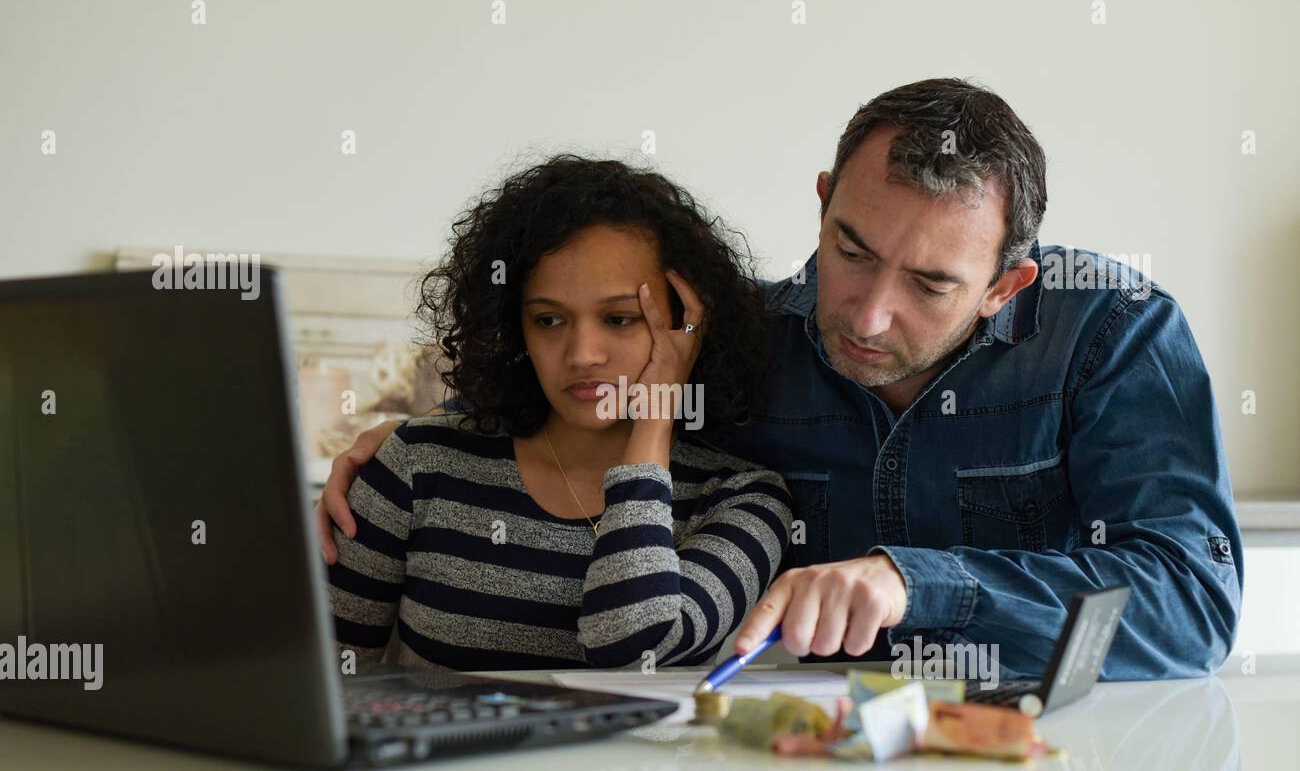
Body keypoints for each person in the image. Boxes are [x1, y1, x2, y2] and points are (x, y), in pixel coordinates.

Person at [324, 79, 1243, 681]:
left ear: (1006, 284)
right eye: (850, 250)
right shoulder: (745, 342)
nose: (868, 314)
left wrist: (913, 584)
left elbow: (1191, 606)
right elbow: (589, 383)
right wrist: (405, 441)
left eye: (930, 285)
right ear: (822, 200)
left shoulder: (1112, 335)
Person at [323, 155, 793, 670]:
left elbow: (634, 647)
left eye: (619, 319)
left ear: (687, 325)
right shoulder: (414, 466)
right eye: (549, 320)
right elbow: (326, 683)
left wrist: (655, 421)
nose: (581, 353)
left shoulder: (744, 499)